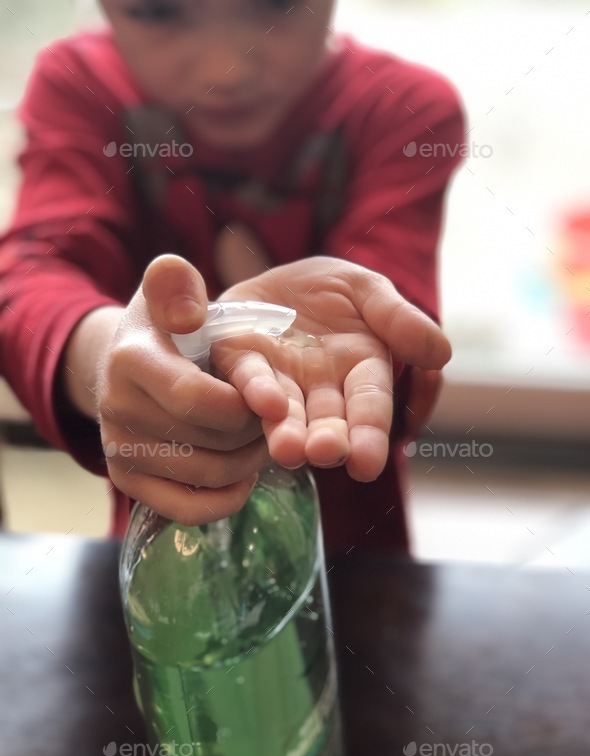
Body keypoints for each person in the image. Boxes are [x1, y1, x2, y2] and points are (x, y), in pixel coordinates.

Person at [0, 0, 464, 554]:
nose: (227, 71)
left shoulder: (403, 109)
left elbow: (407, 340)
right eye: (156, 13)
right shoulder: (79, 86)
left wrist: (379, 348)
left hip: (350, 557)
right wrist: (108, 355)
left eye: (277, 5)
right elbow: (30, 279)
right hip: (166, 554)